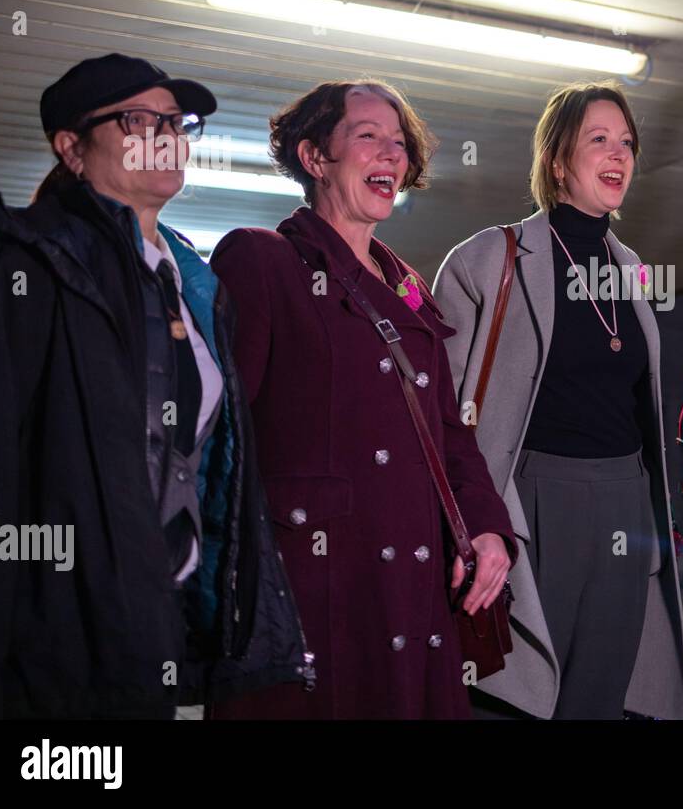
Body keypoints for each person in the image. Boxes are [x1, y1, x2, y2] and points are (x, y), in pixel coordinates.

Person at [0, 53, 309, 718]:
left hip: (152, 624)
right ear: (70, 147)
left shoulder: (192, 285)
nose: (165, 136)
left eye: (174, 122)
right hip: (53, 638)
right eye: (135, 120)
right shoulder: (21, 266)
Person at [208, 80, 515, 719]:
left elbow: (450, 434)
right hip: (316, 592)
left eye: (399, 143)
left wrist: (488, 527)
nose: (390, 155)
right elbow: (221, 435)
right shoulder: (264, 262)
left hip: (413, 588)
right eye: (367, 136)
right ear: (314, 157)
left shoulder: (409, 289)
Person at [433, 81, 683, 720]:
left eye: (626, 142)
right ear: (557, 161)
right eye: (598, 139)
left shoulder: (630, 269)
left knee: (600, 697)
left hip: (625, 499)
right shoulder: (491, 257)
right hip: (534, 496)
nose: (618, 153)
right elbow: (444, 412)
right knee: (517, 693)